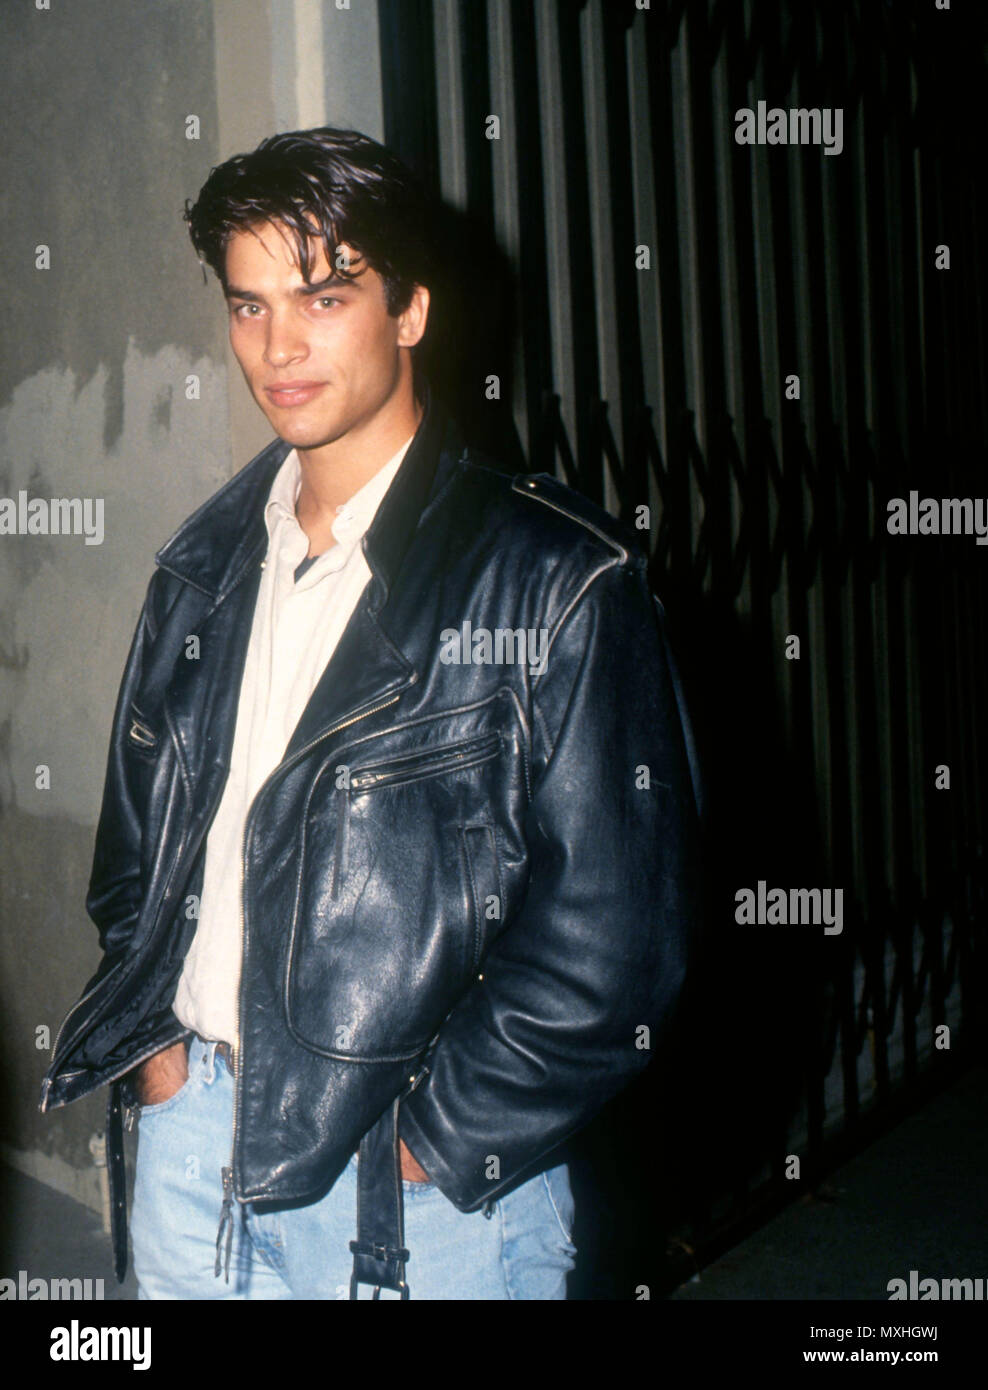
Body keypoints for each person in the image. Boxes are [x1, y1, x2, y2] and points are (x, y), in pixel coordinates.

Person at [40, 127, 701, 1300]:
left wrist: (430, 1143)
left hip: (414, 1190)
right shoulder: (200, 566)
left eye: (324, 295)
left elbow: (618, 947)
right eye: (248, 307)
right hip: (194, 1143)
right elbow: (136, 860)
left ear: (410, 312)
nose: (278, 347)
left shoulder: (553, 578)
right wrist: (157, 1064)